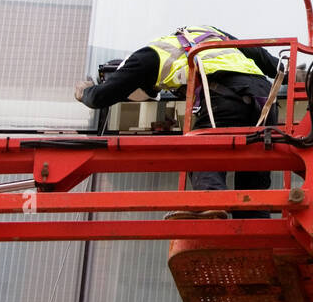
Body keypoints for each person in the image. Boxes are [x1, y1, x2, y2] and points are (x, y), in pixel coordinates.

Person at [74, 25, 280, 219]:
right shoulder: (208, 33)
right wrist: (290, 75)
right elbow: (258, 54)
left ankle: (211, 203)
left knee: (201, 150)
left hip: (226, 97)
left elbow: (100, 97)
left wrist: (84, 92)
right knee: (253, 172)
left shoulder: (146, 57)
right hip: (266, 98)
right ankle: (254, 224)